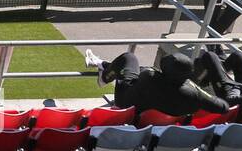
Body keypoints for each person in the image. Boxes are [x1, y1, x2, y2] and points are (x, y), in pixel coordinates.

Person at [85, 49, 228, 117]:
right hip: (158, 126)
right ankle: (101, 64)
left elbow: (139, 73)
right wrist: (197, 89)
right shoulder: (194, 95)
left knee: (129, 58)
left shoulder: (150, 77)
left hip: (126, 105)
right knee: (131, 69)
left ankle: (103, 76)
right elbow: (223, 107)